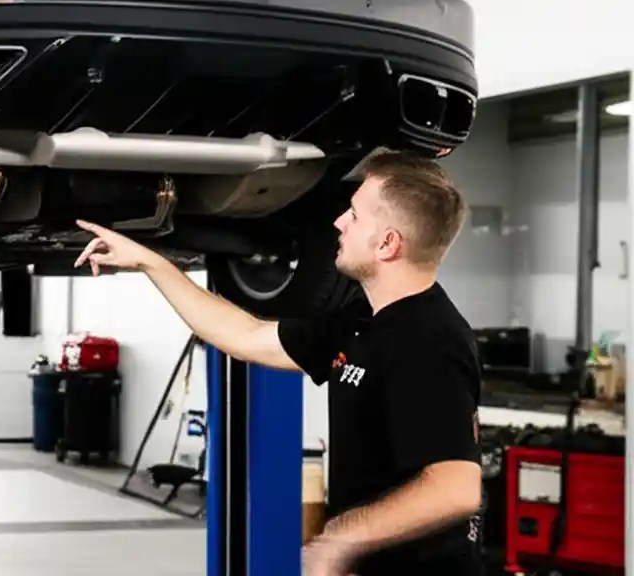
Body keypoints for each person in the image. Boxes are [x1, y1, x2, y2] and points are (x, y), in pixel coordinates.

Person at [73, 150, 485, 576]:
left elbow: (455, 489)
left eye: (356, 216)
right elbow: (246, 337)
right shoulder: (361, 319)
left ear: (387, 244)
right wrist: (150, 261)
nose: (339, 221)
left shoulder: (429, 339)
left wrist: (342, 538)